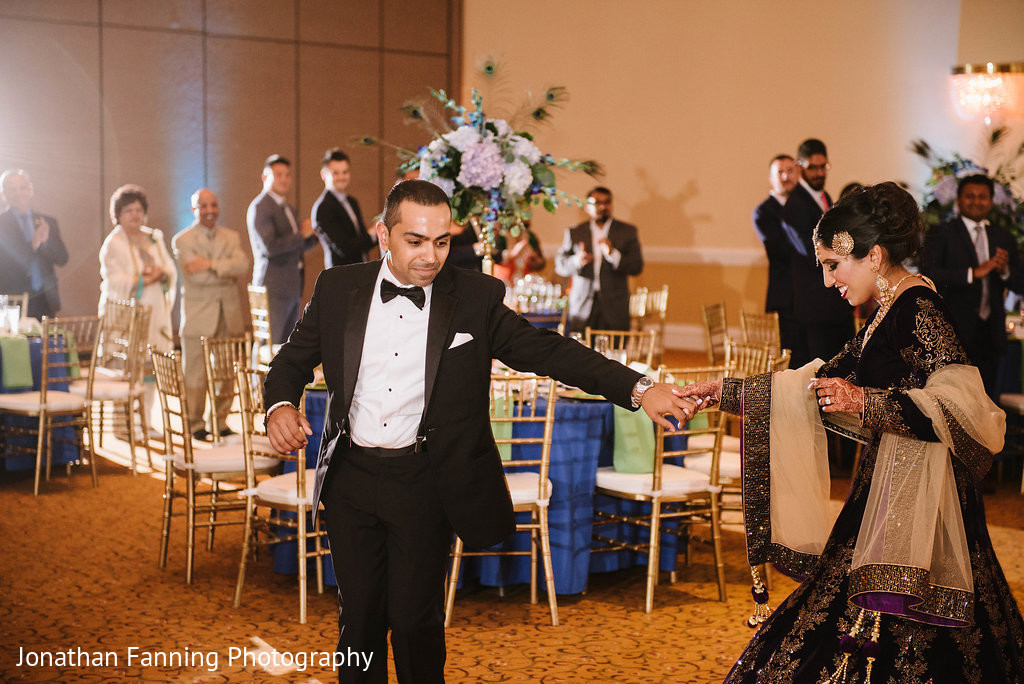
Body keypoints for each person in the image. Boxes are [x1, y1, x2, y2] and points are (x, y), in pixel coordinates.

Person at [263, 180, 696, 683]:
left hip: (424, 481)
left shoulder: (474, 297)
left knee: (413, 621)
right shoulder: (339, 288)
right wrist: (279, 405)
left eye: (442, 241)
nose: (431, 256)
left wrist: (639, 389)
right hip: (352, 482)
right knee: (357, 623)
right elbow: (290, 362)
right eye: (415, 241)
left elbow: (552, 351)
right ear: (384, 235)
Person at [679, 182, 1024, 682]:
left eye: (832, 265)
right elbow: (814, 384)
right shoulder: (888, 310)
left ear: (875, 255)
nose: (826, 281)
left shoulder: (918, 307)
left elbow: (966, 406)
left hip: (923, 508)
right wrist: (720, 392)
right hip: (886, 493)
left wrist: (865, 401)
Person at [919, 174, 1024, 400]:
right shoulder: (941, 232)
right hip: (954, 331)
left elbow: (1019, 282)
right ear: (958, 199)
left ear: (991, 201)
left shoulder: (1002, 237)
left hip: (991, 334)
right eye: (970, 196)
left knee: (988, 402)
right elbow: (929, 274)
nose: (976, 201)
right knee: (957, 402)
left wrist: (1004, 270)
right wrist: (971, 273)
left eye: (982, 197)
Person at [172, 189, 250, 442]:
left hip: (229, 313)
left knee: (227, 373)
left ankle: (220, 422)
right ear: (194, 210)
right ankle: (194, 424)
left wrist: (209, 264)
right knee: (195, 374)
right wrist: (223, 269)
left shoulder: (231, 236)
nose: (209, 210)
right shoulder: (182, 240)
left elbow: (242, 265)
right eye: (202, 206)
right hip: (197, 315)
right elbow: (195, 275)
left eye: (213, 205)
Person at [99, 184, 177, 431]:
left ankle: (145, 420)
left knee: (150, 367)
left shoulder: (154, 237)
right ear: (118, 215)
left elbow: (170, 269)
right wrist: (141, 279)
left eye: (138, 209)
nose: (134, 215)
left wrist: (161, 274)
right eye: (129, 210)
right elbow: (114, 280)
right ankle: (122, 424)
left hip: (154, 314)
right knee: (126, 367)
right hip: (126, 316)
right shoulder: (114, 243)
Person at [782, 138, 854, 366]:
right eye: (812, 167)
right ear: (799, 166)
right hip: (816, 305)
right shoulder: (794, 206)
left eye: (823, 166)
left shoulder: (825, 198)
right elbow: (811, 251)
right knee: (822, 371)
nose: (819, 173)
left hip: (834, 304)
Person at [247, 154, 317, 345]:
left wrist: (313, 235)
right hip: (272, 287)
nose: (284, 179)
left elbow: (297, 246)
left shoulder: (288, 208)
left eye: (287, 175)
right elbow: (271, 246)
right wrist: (301, 235)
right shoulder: (261, 206)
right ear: (265, 177)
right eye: (279, 175)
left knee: (286, 348)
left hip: (292, 287)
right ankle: (261, 378)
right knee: (267, 347)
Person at [555, 186, 644, 333]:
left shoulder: (627, 232)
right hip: (582, 306)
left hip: (615, 306)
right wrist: (577, 261)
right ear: (587, 207)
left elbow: (636, 267)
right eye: (597, 202)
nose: (603, 206)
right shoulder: (575, 232)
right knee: (580, 352)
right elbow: (560, 265)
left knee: (614, 352)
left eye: (607, 202)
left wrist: (613, 254)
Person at [0, 169, 69, 319]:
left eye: (22, 188)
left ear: (30, 190)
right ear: (4, 194)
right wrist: (33, 244)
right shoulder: (2, 224)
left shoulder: (47, 222)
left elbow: (63, 259)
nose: (18, 193)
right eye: (12, 189)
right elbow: (5, 263)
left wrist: (46, 242)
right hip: (13, 299)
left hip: (46, 298)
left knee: (46, 342)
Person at [752, 155, 800, 353]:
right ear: (771, 178)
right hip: (786, 292)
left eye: (790, 170)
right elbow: (780, 249)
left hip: (811, 293)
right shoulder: (764, 211)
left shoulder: (805, 205)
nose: (785, 176)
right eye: (780, 172)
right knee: (792, 352)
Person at [312, 148, 377, 269]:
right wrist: (372, 233)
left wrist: (379, 233)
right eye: (335, 173)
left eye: (345, 172)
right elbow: (345, 248)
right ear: (323, 175)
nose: (341, 177)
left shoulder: (352, 202)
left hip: (361, 271)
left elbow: (362, 241)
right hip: (340, 276)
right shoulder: (323, 208)